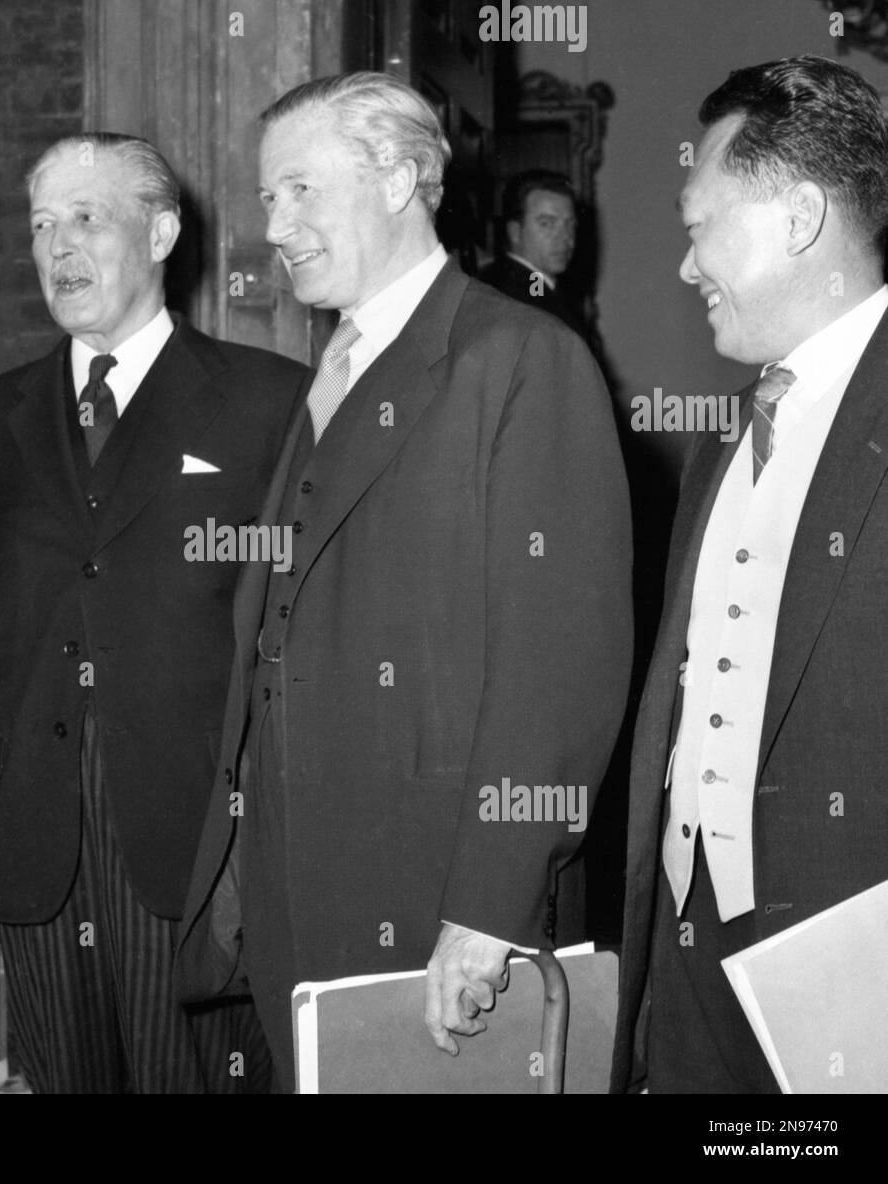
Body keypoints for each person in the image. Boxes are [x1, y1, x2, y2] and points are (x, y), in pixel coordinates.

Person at [175, 72, 632, 1091]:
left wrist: (487, 908)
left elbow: (559, 668)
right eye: (267, 198)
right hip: (301, 894)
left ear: (397, 178)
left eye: (298, 190)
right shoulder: (332, 370)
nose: (274, 225)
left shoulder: (519, 357)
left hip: (436, 903)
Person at [0, 133, 307, 1093]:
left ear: (160, 232)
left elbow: (290, 639)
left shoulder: (269, 403)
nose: (57, 248)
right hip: (38, 847)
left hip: (195, 848)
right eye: (40, 225)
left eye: (85, 218)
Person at [612, 54, 888, 1094]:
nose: (685, 268)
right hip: (687, 954)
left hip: (851, 986)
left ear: (800, 216)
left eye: (699, 227)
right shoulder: (722, 437)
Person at [480, 169, 588, 339]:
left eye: (570, 225)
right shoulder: (522, 295)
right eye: (547, 224)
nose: (564, 238)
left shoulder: (534, 284)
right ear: (515, 231)